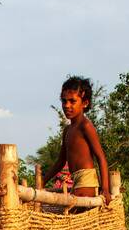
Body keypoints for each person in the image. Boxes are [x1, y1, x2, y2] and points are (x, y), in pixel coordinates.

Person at [41, 76, 110, 205]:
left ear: (85, 103)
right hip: (75, 181)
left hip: (86, 181)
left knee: (73, 214)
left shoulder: (86, 126)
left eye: (72, 101)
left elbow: (101, 158)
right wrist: (42, 181)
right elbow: (60, 162)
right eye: (64, 101)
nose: (67, 106)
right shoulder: (67, 130)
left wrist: (105, 189)